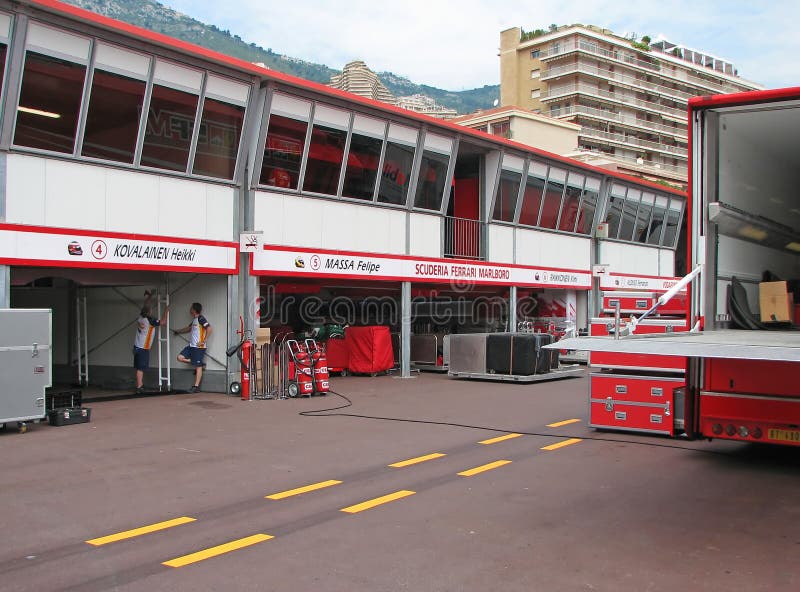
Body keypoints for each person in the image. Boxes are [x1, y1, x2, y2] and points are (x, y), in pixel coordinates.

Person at [133, 291, 169, 394]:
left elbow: (145, 306)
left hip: (137, 346)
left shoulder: (141, 317)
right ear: (149, 312)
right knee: (141, 368)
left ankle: (140, 385)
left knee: (138, 367)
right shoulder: (150, 320)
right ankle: (139, 387)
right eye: (151, 309)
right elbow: (163, 322)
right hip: (143, 347)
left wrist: (148, 298)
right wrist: (166, 310)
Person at [173, 302, 211, 393]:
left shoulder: (201, 319)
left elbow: (209, 329)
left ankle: (196, 387)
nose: (190, 309)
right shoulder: (195, 320)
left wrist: (203, 341)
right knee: (180, 357)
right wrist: (178, 331)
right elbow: (188, 328)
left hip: (199, 347)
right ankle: (200, 364)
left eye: (191, 308)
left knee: (198, 366)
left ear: (194, 310)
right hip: (191, 346)